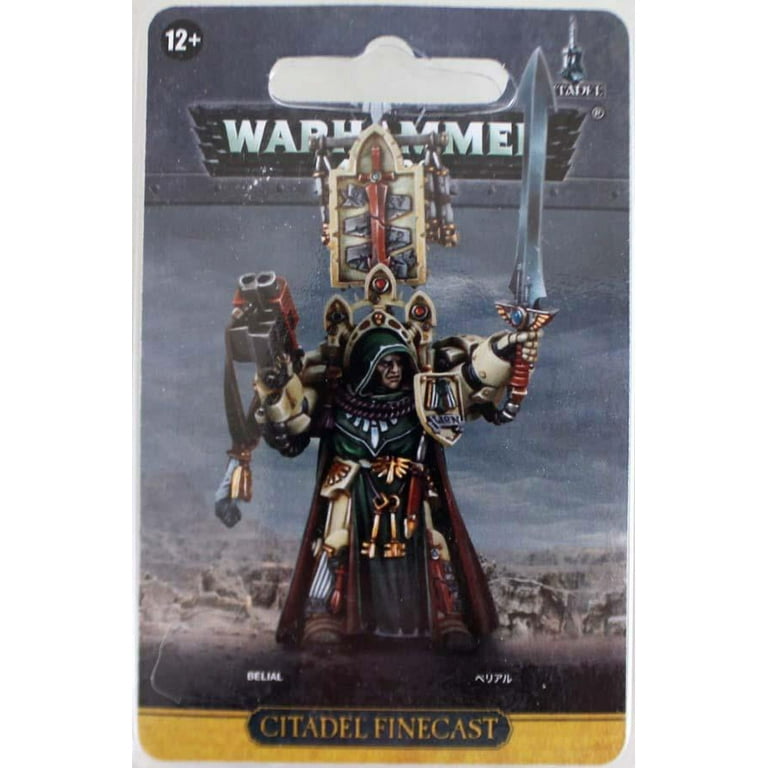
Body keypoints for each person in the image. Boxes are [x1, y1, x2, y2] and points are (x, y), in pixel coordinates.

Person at [234, 290, 541, 652]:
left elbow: (471, 381)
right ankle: (323, 614)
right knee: (334, 544)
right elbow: (294, 418)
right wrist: (275, 386)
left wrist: (506, 348)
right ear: (366, 363)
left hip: (411, 487)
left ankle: (448, 614)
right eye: (384, 363)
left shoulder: (420, 396)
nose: (394, 369)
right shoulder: (337, 400)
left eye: (398, 361)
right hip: (350, 487)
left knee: (435, 542)